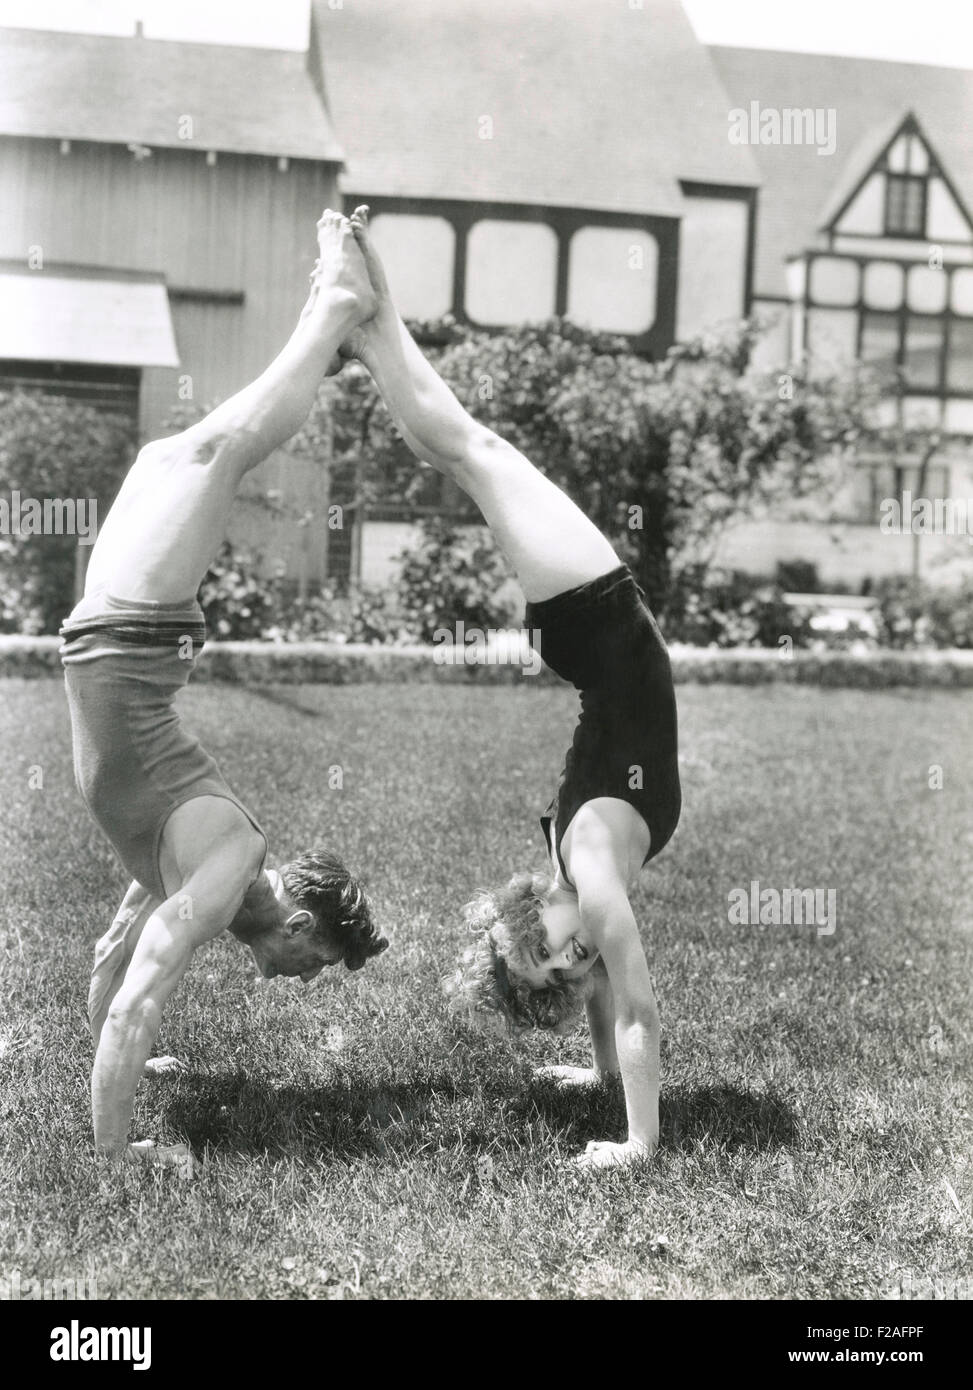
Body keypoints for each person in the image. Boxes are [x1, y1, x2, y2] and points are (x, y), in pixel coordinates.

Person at [338, 206, 680, 1170]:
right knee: (465, 452)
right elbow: (616, 993)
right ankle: (368, 326)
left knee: (468, 450)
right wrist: (606, 1082)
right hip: (591, 623)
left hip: (592, 613)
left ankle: (370, 321)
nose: (581, 959)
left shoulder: (590, 871)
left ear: (537, 915)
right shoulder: (589, 879)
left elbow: (633, 1000)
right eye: (568, 968)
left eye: (556, 952)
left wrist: (636, 1143)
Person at [60, 211, 388, 1168]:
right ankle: (331, 309)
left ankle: (329, 310)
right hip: (132, 630)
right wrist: (119, 1156)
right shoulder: (226, 863)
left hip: (109, 629)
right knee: (220, 453)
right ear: (297, 926)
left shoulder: (194, 866)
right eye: (314, 965)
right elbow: (134, 994)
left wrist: (134, 1046)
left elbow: (109, 966)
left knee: (173, 455)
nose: (299, 981)